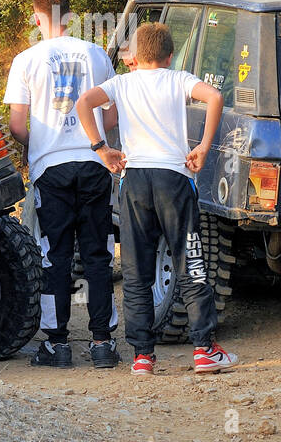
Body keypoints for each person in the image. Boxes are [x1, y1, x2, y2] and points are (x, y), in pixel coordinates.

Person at [75, 21, 238, 376]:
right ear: (169, 55)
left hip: (134, 180)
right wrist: (204, 147)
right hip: (174, 178)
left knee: (135, 271)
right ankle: (204, 350)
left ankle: (142, 357)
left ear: (135, 55)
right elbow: (214, 97)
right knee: (190, 263)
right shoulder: (178, 79)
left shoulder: (122, 82)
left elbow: (84, 102)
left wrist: (101, 149)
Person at [4, 0, 120, 369]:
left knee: (55, 256)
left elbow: (17, 125)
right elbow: (112, 117)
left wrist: (41, 146)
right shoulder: (97, 54)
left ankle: (58, 343)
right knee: (98, 254)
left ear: (37, 19)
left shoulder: (26, 60)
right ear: (71, 18)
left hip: (51, 166)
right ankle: (103, 342)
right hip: (94, 161)